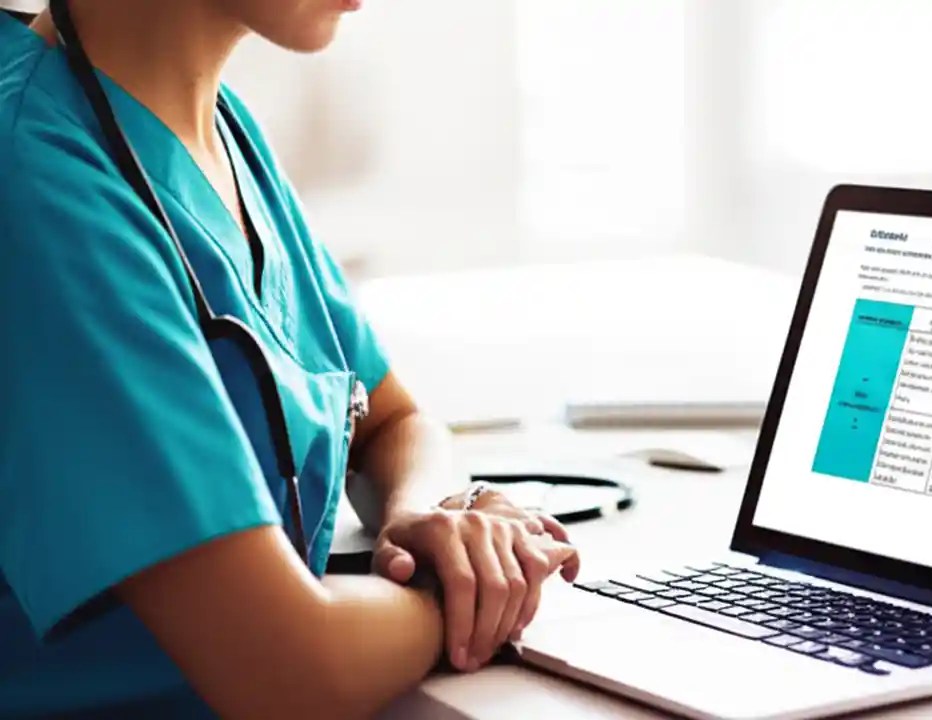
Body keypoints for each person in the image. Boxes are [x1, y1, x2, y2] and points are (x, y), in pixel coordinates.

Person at [0, 1, 580, 717]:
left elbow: (393, 420)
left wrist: (428, 518)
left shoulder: (220, 132)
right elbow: (288, 671)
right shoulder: (37, 179)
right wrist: (469, 593)